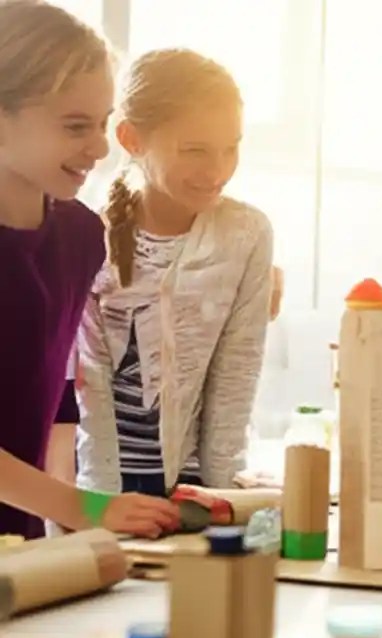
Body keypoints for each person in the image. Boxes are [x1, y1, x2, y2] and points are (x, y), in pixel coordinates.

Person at [0, 0, 177, 538]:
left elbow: (53, 396)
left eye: (102, 123)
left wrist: (70, 524)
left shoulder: (80, 237)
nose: (99, 146)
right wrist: (84, 509)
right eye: (76, 126)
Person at [77, 49, 274, 497]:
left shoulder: (246, 234)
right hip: (98, 488)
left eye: (232, 148)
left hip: (192, 487)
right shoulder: (87, 231)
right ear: (131, 139)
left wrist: (223, 499)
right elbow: (88, 388)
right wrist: (101, 509)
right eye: (195, 150)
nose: (218, 169)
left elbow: (236, 373)